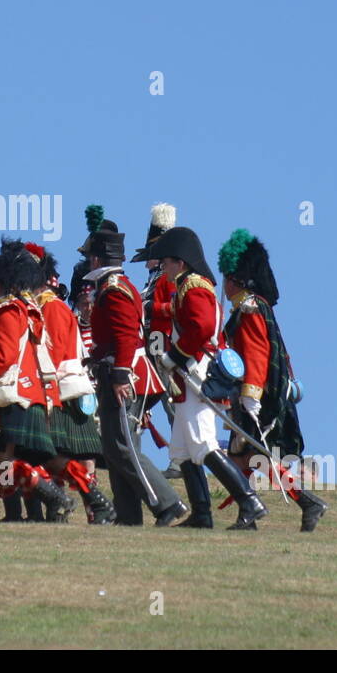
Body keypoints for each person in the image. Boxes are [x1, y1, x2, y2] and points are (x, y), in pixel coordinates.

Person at [145, 226, 266, 530]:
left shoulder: (195, 287)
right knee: (184, 449)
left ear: (181, 263)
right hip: (189, 374)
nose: (164, 268)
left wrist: (174, 356)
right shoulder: (188, 286)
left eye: (168, 262)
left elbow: (201, 328)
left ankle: (249, 501)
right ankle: (202, 513)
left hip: (196, 372)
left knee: (203, 445)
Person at [217, 229, 327, 531]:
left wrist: (251, 394)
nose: (223, 283)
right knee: (241, 459)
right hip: (247, 393)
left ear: (237, 279)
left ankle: (307, 501)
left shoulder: (250, 309)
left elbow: (255, 354)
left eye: (227, 276)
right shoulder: (247, 307)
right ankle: (248, 515)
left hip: (255, 395)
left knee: (255, 457)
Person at [81, 217, 186, 526]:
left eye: (91, 256)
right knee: (116, 449)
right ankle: (128, 515)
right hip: (118, 371)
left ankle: (167, 503)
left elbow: (127, 337)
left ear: (98, 259)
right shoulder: (113, 287)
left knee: (122, 446)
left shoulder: (113, 290)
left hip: (126, 376)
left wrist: (119, 376)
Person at [0, 239, 77, 522]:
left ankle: (54, 498)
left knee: (7, 459)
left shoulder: (8, 311)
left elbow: (3, 359)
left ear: (0, 283)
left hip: (17, 393)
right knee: (1, 458)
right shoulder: (12, 309)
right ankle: (19, 511)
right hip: (17, 391)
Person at [28, 243, 117, 525]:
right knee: (61, 457)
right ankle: (64, 511)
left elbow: (51, 357)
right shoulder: (48, 307)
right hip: (66, 390)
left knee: (66, 457)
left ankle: (95, 508)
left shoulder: (51, 308)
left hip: (65, 391)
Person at [131, 204, 179, 477]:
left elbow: (174, 309)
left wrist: (147, 309)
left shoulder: (168, 279)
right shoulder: (153, 279)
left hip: (165, 344)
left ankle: (180, 460)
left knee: (173, 401)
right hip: (151, 344)